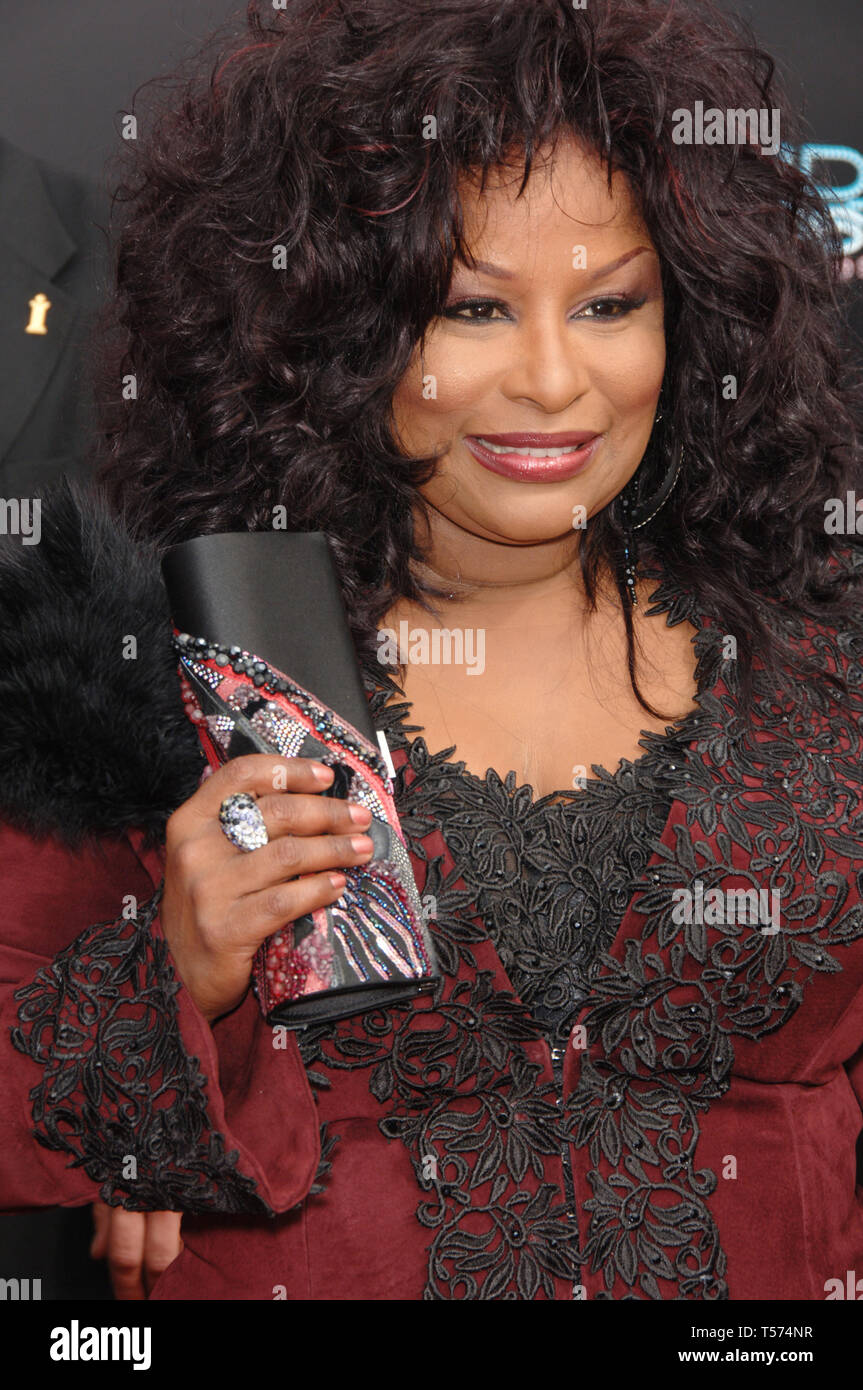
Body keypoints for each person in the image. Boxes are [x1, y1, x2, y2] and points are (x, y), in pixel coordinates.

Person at [1, 0, 862, 1302]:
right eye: (473, 310)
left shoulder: (821, 670)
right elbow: (41, 1105)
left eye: (612, 301)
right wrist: (177, 976)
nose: (557, 380)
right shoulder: (154, 686)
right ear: (334, 331)